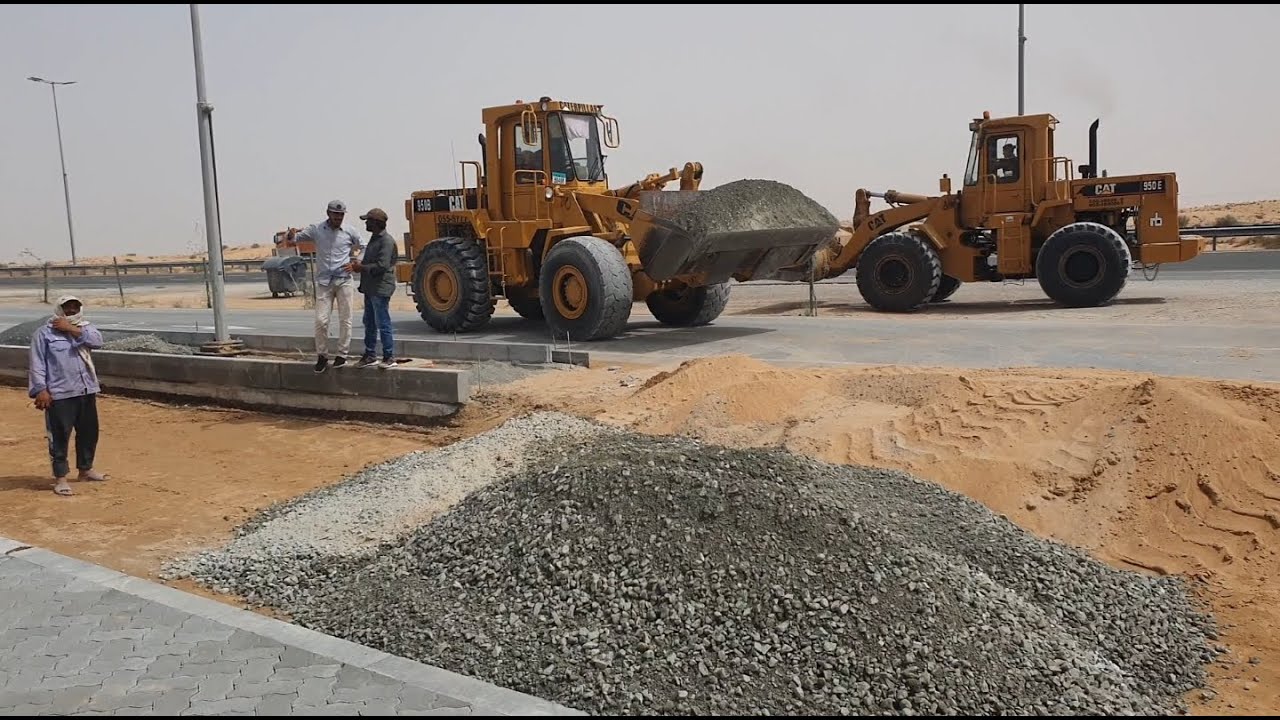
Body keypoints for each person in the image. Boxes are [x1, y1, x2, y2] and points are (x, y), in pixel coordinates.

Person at [28, 295, 107, 496]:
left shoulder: (85, 328)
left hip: (86, 389)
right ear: (59, 309)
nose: (71, 310)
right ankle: (60, 478)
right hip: (60, 393)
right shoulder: (44, 333)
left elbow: (98, 342)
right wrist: (41, 390)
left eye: (75, 307)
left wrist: (70, 329)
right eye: (67, 307)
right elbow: (37, 364)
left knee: (89, 432)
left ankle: (85, 470)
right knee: (60, 436)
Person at [297, 200, 363, 372]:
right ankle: (322, 355)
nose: (338, 217)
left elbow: (364, 246)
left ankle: (342, 354)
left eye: (341, 215)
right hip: (324, 283)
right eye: (335, 214)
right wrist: (290, 236)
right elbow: (295, 238)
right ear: (328, 213)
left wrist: (356, 263)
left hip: (344, 281)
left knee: (345, 319)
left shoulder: (350, 231)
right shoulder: (317, 230)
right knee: (321, 321)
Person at [350, 208, 399, 368]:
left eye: (368, 221)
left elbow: (382, 265)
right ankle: (370, 354)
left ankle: (389, 356)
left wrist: (361, 268)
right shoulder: (374, 239)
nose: (366, 223)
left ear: (376, 223)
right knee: (369, 322)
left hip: (380, 288)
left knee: (382, 322)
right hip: (370, 288)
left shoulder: (386, 241)